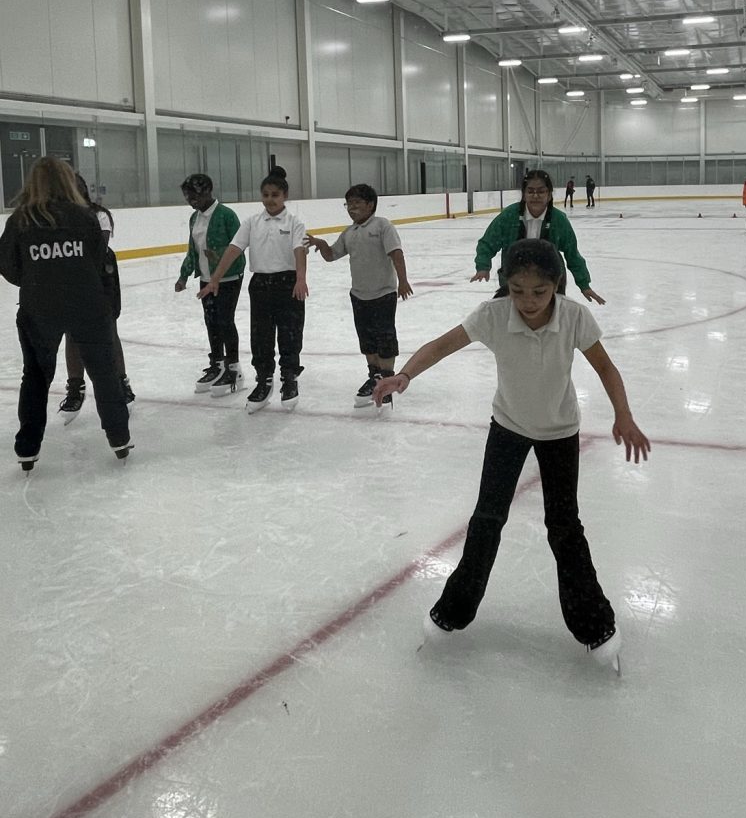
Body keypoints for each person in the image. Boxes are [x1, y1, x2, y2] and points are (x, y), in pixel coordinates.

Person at [373, 237, 649, 669]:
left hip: (560, 432)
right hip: (508, 429)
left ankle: (595, 626)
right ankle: (452, 612)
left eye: (539, 292)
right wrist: (405, 374)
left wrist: (624, 415)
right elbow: (443, 344)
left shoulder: (574, 316)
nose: (528, 301)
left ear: (557, 285)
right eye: (518, 291)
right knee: (486, 520)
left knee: (564, 527)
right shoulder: (494, 315)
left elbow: (606, 367)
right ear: (506, 286)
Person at [0, 157, 131, 468]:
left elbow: (7, 265)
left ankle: (28, 447)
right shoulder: (84, 217)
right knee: (104, 373)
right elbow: (99, 259)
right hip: (87, 306)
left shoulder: (21, 219)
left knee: (35, 376)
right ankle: (119, 438)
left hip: (39, 310)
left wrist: (36, 280)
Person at [200, 166, 307, 412]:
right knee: (261, 336)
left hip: (288, 285)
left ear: (285, 196)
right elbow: (234, 249)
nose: (270, 200)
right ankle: (264, 379)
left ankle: (289, 378)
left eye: (275, 195)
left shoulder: (294, 223)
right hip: (260, 285)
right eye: (266, 195)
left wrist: (301, 278)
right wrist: (215, 278)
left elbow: (299, 251)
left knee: (290, 334)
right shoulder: (252, 222)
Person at [306, 183, 413, 409]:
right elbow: (331, 255)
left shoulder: (382, 226)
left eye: (356, 203)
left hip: (383, 294)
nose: (351, 208)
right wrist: (322, 243)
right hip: (359, 295)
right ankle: (374, 376)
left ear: (370, 204)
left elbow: (396, 253)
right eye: (348, 204)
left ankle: (386, 379)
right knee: (367, 339)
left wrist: (403, 281)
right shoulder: (350, 232)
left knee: (385, 338)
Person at [57, 174, 134, 421]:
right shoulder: (57, 217)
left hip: (101, 281)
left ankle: (121, 382)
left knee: (109, 331)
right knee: (72, 334)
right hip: (71, 282)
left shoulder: (99, 215)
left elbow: (97, 250)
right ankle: (76, 386)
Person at [471, 169, 605, 303]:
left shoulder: (558, 220)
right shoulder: (509, 216)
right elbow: (487, 243)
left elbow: (572, 254)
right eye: (530, 191)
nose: (536, 196)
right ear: (524, 195)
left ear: (549, 195)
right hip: (514, 284)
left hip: (550, 285)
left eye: (541, 191)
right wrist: (483, 266)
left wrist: (584, 284)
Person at [174, 173, 245, 395]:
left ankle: (234, 368)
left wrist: (218, 256)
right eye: (187, 196)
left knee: (225, 321)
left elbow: (239, 247)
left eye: (193, 195)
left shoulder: (226, 215)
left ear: (207, 192)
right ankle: (218, 363)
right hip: (205, 280)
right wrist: (184, 275)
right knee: (211, 323)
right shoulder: (194, 218)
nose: (190, 200)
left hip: (229, 278)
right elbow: (192, 250)